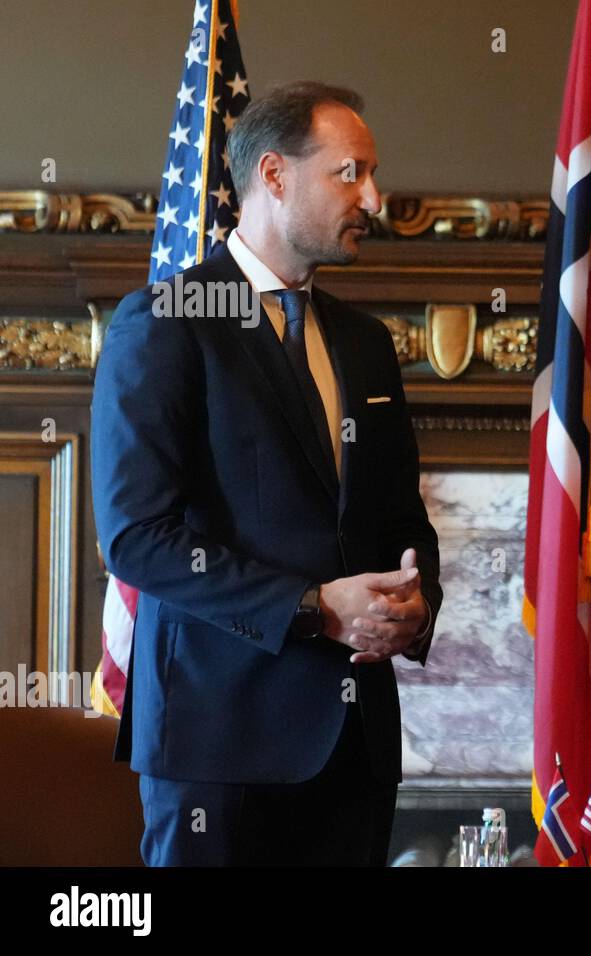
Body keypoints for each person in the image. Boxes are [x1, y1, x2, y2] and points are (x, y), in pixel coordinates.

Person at [91, 81, 441, 866]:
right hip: (220, 749)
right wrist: (314, 607)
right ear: (275, 175)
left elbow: (400, 520)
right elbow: (137, 539)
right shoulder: (166, 324)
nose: (375, 198)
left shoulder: (366, 344)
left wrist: (415, 608)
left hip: (355, 748)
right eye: (351, 173)